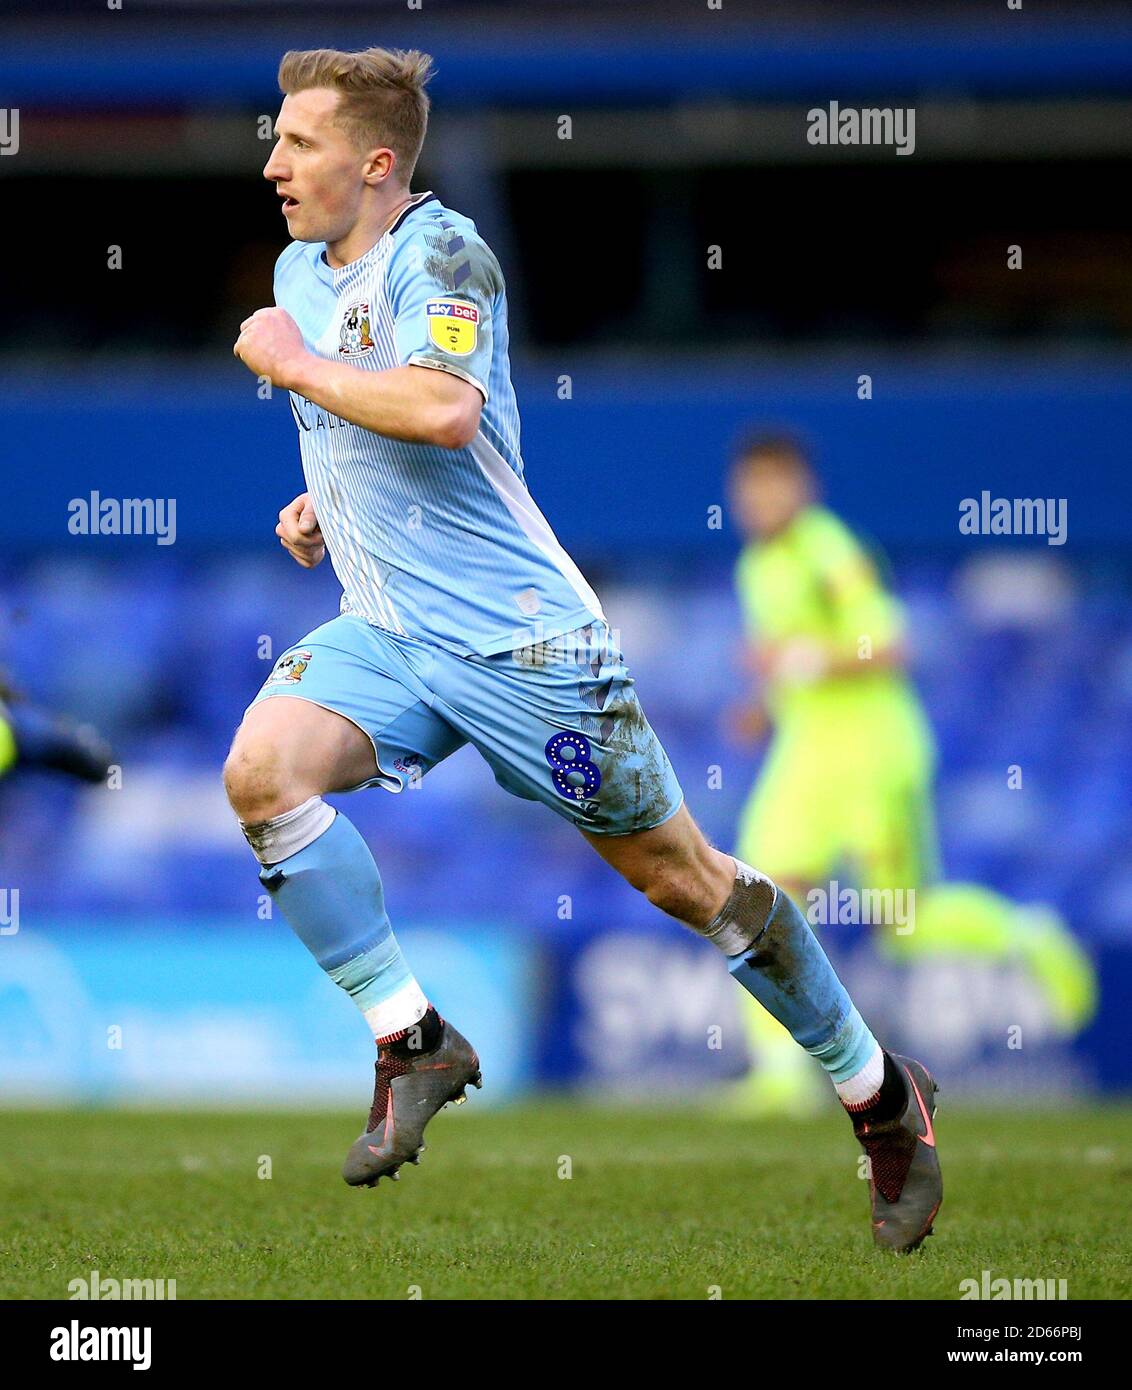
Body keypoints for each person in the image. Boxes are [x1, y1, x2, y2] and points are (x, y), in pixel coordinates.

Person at [226, 46, 941, 1251]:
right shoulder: (302, 270)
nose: (273, 162)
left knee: (686, 883)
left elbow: (446, 410)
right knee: (261, 773)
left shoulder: (442, 253)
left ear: (377, 160)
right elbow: (368, 419)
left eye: (298, 143)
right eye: (276, 139)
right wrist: (324, 502)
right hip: (394, 633)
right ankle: (412, 1038)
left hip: (523, 645)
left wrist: (293, 368)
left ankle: (879, 1095)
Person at [723, 432, 1094, 1116]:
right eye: (748, 487)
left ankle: (1028, 933)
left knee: (906, 920)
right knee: (757, 895)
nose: (758, 499)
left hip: (873, 752)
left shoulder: (828, 549)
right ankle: (777, 1072)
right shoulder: (756, 564)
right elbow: (788, 662)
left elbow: (887, 644)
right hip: (806, 755)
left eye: (772, 484)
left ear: (802, 488)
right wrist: (761, 708)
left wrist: (801, 664)